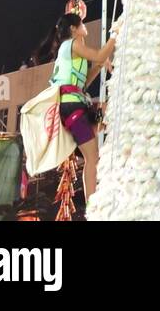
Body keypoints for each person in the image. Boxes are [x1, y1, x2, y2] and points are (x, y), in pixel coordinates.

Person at [49, 12, 115, 207]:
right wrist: (115, 36)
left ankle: (93, 203)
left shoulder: (68, 48)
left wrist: (99, 65)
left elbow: (82, 83)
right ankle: (92, 207)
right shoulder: (74, 44)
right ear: (73, 29)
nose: (84, 27)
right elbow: (100, 54)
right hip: (73, 108)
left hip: (73, 105)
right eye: (82, 24)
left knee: (104, 114)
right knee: (92, 157)